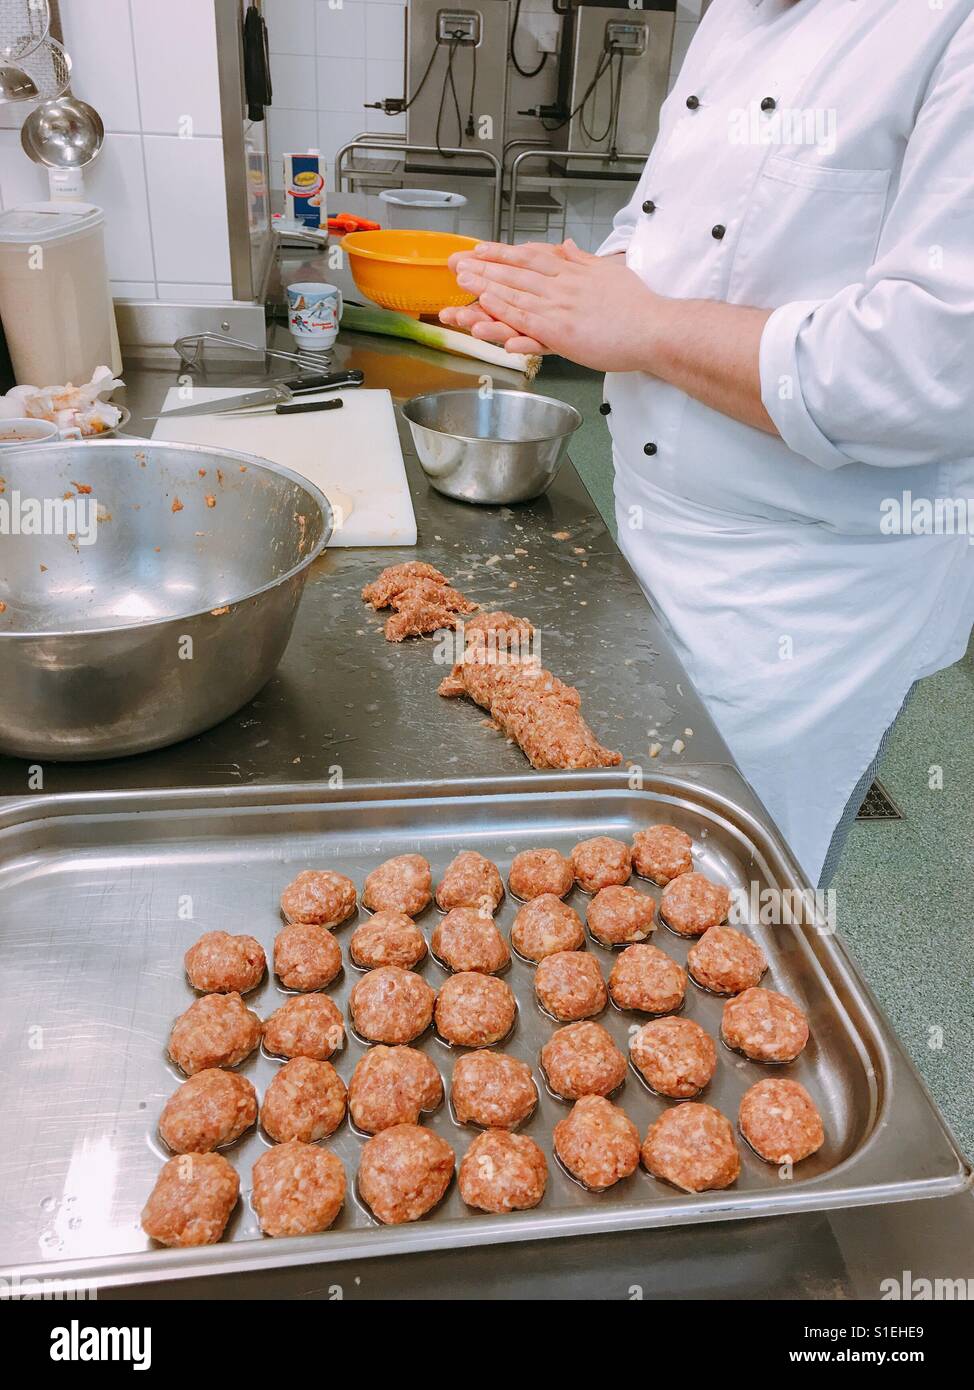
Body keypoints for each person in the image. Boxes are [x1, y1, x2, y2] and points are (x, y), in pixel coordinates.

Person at [440, 0, 974, 886]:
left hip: (806, 604)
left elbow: (929, 369)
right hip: (652, 551)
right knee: (615, 863)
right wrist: (560, 298)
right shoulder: (735, 12)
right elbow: (659, 237)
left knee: (733, 915)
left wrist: (643, 328)